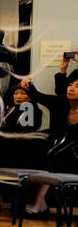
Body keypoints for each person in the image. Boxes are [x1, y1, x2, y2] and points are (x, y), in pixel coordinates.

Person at [22, 57, 78, 212]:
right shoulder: (60, 104)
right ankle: (39, 202)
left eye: (77, 86)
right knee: (38, 147)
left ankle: (39, 203)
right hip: (57, 153)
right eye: (71, 85)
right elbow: (36, 94)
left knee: (54, 154)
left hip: (74, 156)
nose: (71, 88)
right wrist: (26, 84)